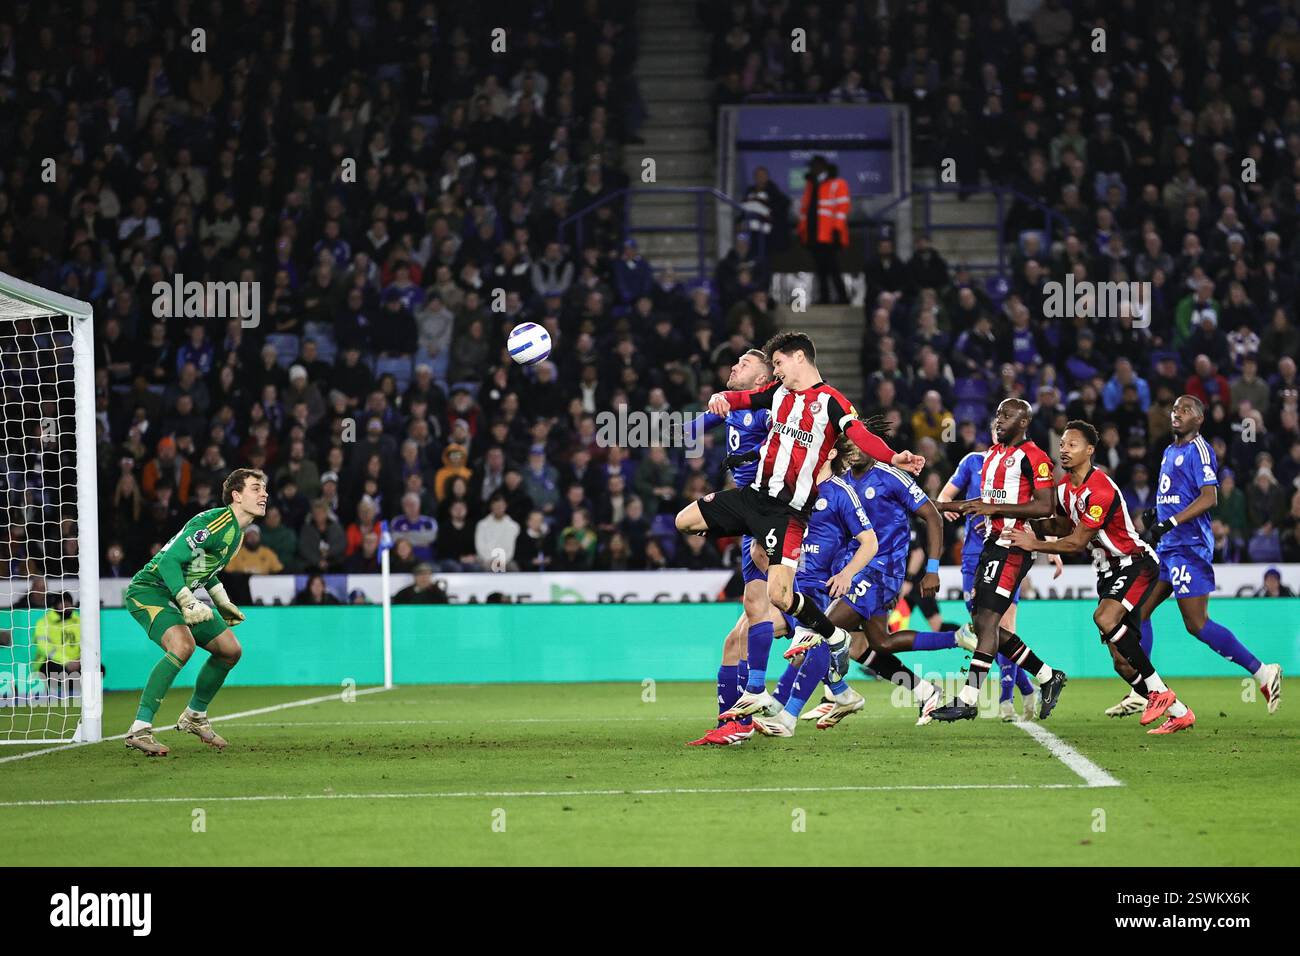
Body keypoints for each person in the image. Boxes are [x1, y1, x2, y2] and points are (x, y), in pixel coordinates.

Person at [676, 331, 924, 686]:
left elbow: (860, 435)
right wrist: (719, 397)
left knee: (775, 596)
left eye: (778, 363)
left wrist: (894, 456)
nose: (776, 371)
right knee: (684, 521)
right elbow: (741, 398)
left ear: (799, 358)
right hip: (753, 498)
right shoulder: (777, 394)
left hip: (787, 512)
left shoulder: (832, 402)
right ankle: (818, 671)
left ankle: (822, 650)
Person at [1007, 421, 1195, 734]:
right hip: (1107, 573)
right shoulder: (1065, 489)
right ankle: (1179, 711)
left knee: (1105, 617)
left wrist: (1034, 544)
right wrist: (1031, 526)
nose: (1064, 450)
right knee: (1121, 662)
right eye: (1063, 445)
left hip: (1135, 563)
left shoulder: (1102, 488)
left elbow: (1077, 542)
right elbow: (1065, 527)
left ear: (1090, 450)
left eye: (1072, 445)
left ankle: (1159, 694)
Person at [1123, 396, 1283, 715]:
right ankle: (1144, 690)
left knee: (1196, 623)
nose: (1176, 414)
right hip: (1168, 546)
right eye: (1174, 409)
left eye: (1185, 410)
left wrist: (1169, 521)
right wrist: (1158, 513)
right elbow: (1174, 494)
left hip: (1189, 546)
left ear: (1199, 419)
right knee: (1139, 613)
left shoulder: (1199, 449)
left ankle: (1264, 672)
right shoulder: (1169, 451)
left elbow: (1209, 498)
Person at [723, 437, 877, 737]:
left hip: (820, 588)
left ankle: (783, 715)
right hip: (789, 587)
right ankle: (840, 693)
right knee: (749, 632)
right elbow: (765, 540)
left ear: (829, 452)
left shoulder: (841, 493)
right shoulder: (792, 489)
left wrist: (846, 574)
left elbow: (870, 542)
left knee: (806, 639)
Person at [931, 399, 1068, 721]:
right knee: (981, 622)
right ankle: (1048, 676)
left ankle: (968, 698)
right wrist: (942, 507)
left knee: (989, 622)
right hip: (990, 547)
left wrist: (998, 511)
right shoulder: (991, 457)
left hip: (1013, 547)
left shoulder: (1035, 457)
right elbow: (986, 502)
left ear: (1024, 422)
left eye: (1007, 416)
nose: (999, 421)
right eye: (997, 415)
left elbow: (1045, 506)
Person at [682, 349, 789, 747]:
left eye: (744, 364)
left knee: (760, 617)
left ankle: (822, 635)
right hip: (748, 523)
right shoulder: (731, 407)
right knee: (735, 639)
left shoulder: (768, 412)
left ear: (762, 380)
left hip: (765, 515)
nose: (733, 367)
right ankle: (735, 722)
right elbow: (688, 430)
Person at [120, 468, 265, 755]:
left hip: (176, 595)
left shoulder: (236, 532)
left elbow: (202, 568)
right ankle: (140, 728)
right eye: (256, 488)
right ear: (236, 496)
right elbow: (169, 562)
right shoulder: (214, 522)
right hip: (150, 590)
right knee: (182, 645)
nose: (264, 494)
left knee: (230, 650)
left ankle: (194, 716)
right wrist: (186, 600)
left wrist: (220, 599)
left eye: (263, 489)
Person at [796, 156, 850, 305]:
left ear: (822, 167)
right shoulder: (810, 185)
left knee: (833, 267)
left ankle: (843, 297)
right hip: (814, 234)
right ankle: (824, 297)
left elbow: (842, 208)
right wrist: (802, 231)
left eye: (814, 166)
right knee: (820, 269)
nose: (812, 169)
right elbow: (805, 209)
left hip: (829, 234)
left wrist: (837, 230)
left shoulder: (837, 184)